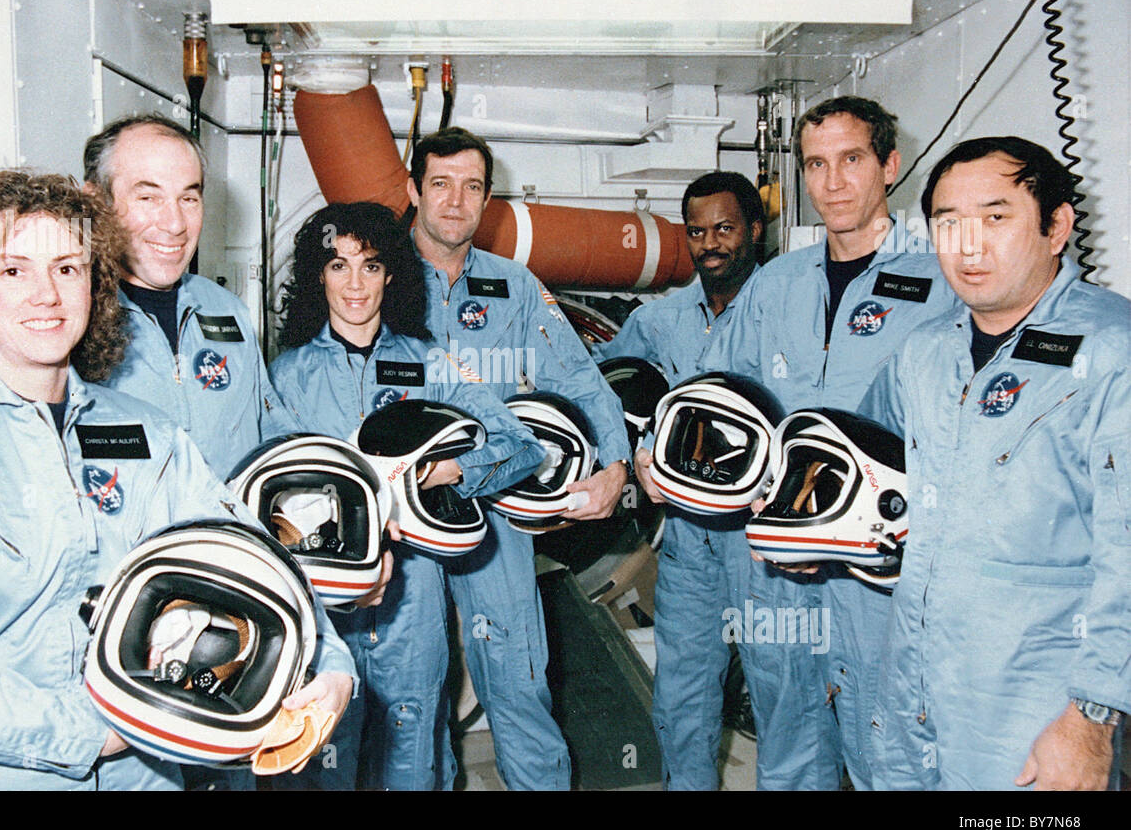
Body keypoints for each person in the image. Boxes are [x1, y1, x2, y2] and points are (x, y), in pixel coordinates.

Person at [0, 171, 353, 790]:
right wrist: (98, 731)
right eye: (13, 270)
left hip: (144, 773)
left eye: (69, 269)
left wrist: (327, 663)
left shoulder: (147, 435)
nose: (47, 295)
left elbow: (245, 555)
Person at [702, 96, 960, 789]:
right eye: (816, 165)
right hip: (779, 564)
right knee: (787, 750)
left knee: (892, 755)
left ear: (890, 167)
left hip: (881, 573)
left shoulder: (945, 284)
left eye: (852, 160)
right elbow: (725, 395)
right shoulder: (775, 285)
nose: (834, 182)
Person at [862, 137, 1131, 790]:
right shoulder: (924, 354)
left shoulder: (1112, 352)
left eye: (996, 217)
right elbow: (865, 453)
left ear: (1057, 225)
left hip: (1036, 712)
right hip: (913, 693)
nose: (968, 245)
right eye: (948, 223)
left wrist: (1092, 717)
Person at [268, 201, 543, 790]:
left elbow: (521, 445)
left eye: (369, 266)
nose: (355, 285)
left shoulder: (429, 364)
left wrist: (444, 471)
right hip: (321, 603)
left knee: (416, 760)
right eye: (338, 267)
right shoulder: (287, 375)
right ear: (319, 275)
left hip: (413, 600)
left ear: (391, 272)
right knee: (319, 759)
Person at [407, 127, 633, 790]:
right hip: (406, 516)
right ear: (413, 188)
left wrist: (615, 465)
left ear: (487, 198)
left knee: (519, 686)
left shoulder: (513, 286)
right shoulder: (377, 279)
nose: (455, 201)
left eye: (472, 187)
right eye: (441, 183)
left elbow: (579, 378)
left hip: (494, 513)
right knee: (409, 705)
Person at [594, 171, 824, 789]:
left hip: (765, 540)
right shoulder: (662, 321)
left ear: (755, 229)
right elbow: (605, 384)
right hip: (689, 540)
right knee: (681, 693)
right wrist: (634, 450)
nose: (710, 244)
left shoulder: (794, 313)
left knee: (786, 695)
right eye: (696, 232)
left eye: (724, 228)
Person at [83, 114, 299, 480]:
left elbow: (270, 426)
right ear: (95, 202)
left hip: (233, 534)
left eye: (188, 198)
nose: (175, 224)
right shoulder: (71, 320)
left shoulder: (225, 309)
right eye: (148, 196)